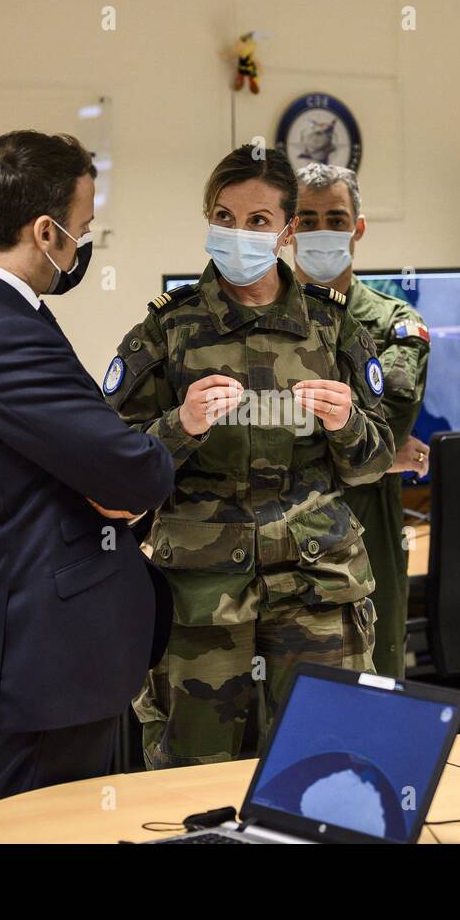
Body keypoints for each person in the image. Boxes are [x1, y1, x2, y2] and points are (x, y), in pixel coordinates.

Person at [106, 144, 394, 769]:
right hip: (203, 600)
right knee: (190, 778)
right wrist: (179, 425)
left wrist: (346, 423)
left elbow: (373, 464)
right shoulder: (165, 332)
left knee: (325, 765)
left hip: (319, 586)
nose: (239, 232)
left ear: (287, 231)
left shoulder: (335, 330)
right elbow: (117, 473)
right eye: (225, 216)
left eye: (259, 220)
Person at [0, 131, 174, 801]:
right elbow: (131, 470)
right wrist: (139, 469)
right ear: (44, 231)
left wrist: (112, 478)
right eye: (83, 228)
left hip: (59, 648)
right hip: (48, 653)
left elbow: (99, 464)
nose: (84, 244)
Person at [291, 162, 431, 678]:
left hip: (365, 551)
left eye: (335, 217)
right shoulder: (252, 325)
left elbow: (383, 433)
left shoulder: (396, 326)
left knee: (371, 699)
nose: (321, 230)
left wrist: (376, 449)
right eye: (306, 219)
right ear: (288, 228)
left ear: (359, 227)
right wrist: (369, 448)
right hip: (271, 556)